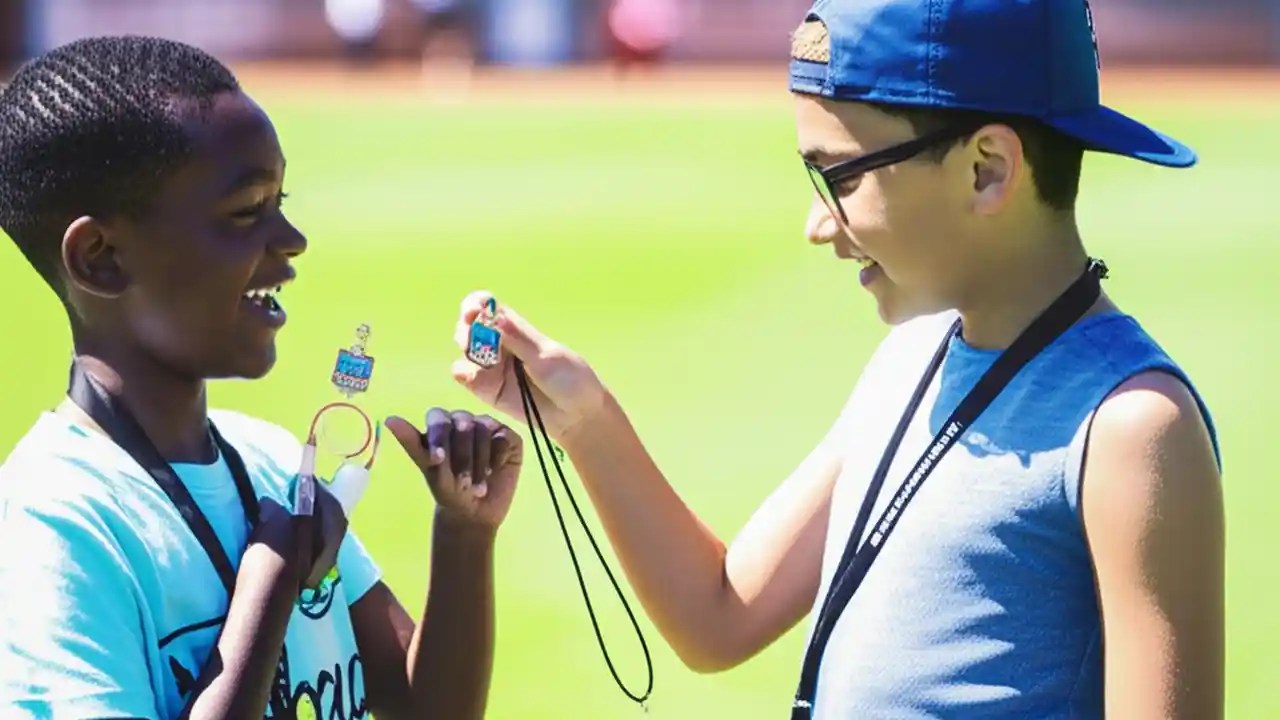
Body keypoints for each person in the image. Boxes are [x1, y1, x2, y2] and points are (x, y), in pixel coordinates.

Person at [450, 0, 1224, 718]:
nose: (818, 224)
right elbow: (718, 615)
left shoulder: (1132, 429)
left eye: (842, 177)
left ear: (987, 168)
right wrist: (586, 419)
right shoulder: (910, 357)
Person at [0, 36, 522, 720]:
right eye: (247, 211)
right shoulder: (56, 526)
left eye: (282, 199)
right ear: (100, 258)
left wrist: (463, 535)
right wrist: (267, 594)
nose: (292, 237)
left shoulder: (274, 466)